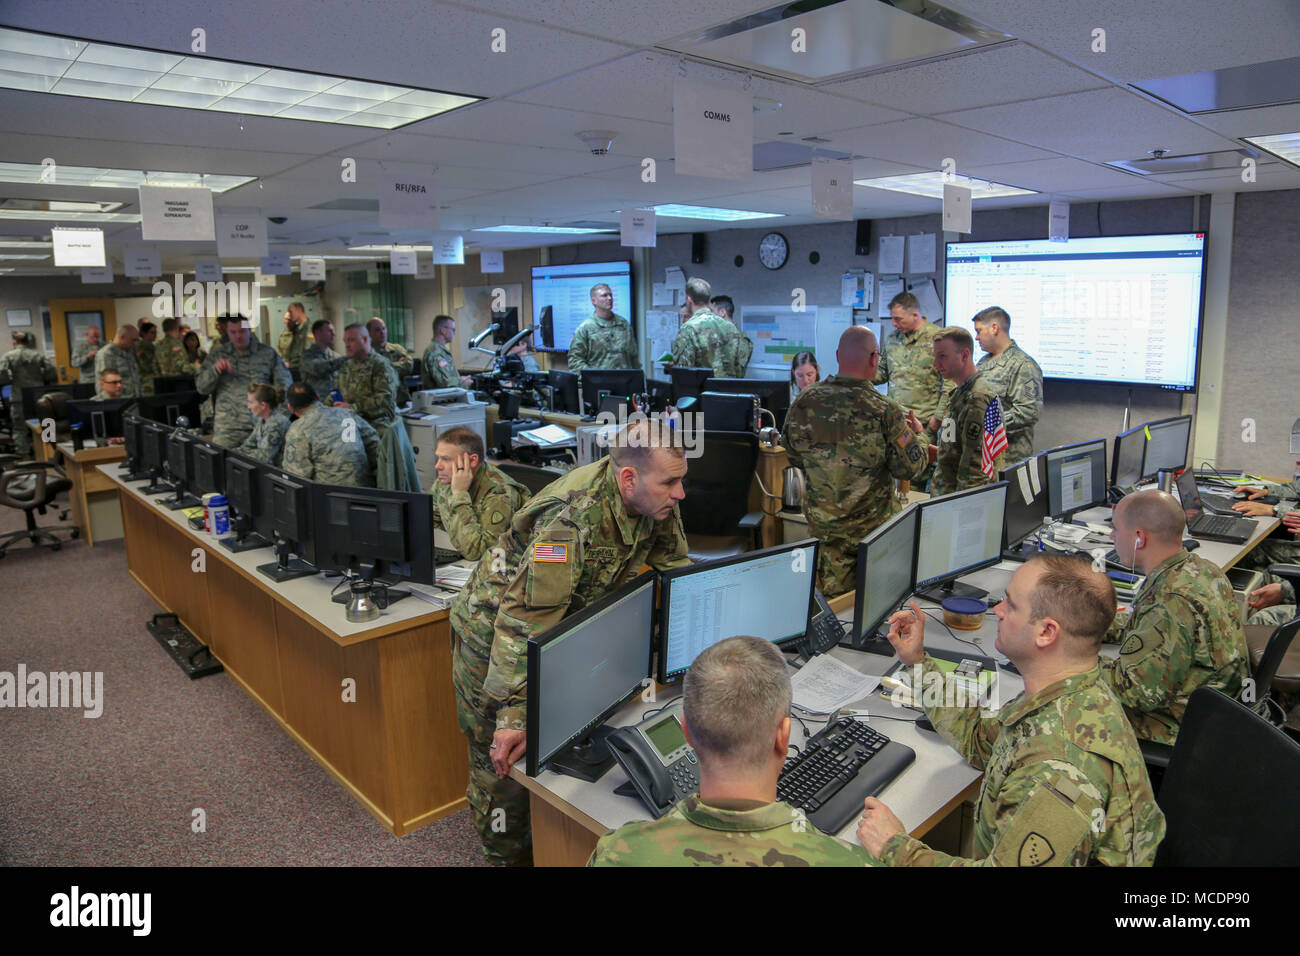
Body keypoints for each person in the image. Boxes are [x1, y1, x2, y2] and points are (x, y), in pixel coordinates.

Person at [448, 419, 691, 866]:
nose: (680, 494)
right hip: (493, 640)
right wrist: (513, 714)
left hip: (557, 627)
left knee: (555, 747)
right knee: (502, 770)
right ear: (628, 478)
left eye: (681, 480)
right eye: (671, 483)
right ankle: (507, 857)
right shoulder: (571, 522)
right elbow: (523, 619)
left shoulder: (655, 500)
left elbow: (674, 572)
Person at [858, 554, 1165, 866]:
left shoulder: (1060, 767)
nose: (997, 611)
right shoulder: (1069, 693)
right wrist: (918, 662)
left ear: (1046, 632)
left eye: (1011, 604)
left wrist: (895, 847)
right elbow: (978, 739)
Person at [590, 636, 875, 867]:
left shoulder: (618, 854)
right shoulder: (849, 860)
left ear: (686, 732)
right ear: (783, 735)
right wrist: (898, 848)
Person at [784, 327, 929, 596]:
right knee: (877, 611)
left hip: (827, 542)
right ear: (874, 358)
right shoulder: (885, 409)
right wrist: (920, 435)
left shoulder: (804, 402)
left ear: (838, 355)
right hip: (874, 543)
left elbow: (793, 455)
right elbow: (911, 467)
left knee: (835, 619)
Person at [1101, 490, 1250, 745]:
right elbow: (1145, 626)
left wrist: (1072, 658)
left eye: (1116, 529)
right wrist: (1086, 627)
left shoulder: (1171, 601)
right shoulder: (1201, 568)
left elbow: (1136, 692)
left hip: (1184, 725)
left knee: (1071, 713)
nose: (1112, 537)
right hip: (1222, 708)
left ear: (1139, 538)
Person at [431, 426, 531, 561]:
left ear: (472, 460)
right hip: (460, 559)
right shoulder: (445, 482)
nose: (438, 466)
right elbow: (429, 520)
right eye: (438, 458)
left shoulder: (500, 494)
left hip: (498, 567)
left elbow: (478, 553)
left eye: (446, 459)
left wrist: (459, 495)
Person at [929, 326, 1005, 496]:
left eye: (942, 356)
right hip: (946, 497)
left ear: (964, 355)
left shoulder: (977, 398)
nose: (936, 364)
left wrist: (961, 515)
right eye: (935, 357)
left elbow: (975, 471)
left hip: (958, 505)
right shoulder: (960, 393)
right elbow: (955, 450)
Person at [196, 316, 292, 448]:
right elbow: (201, 388)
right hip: (228, 429)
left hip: (261, 426)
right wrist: (215, 370)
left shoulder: (267, 353)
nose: (238, 336)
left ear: (249, 330)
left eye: (242, 331)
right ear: (227, 332)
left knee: (264, 466)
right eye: (233, 332)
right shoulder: (218, 354)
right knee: (222, 464)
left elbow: (285, 387)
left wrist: (278, 420)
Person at [966, 307, 1043, 465]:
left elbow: (1029, 411)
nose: (976, 337)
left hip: (1009, 460)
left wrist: (986, 425)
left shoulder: (1024, 365)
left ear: (994, 328)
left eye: (979, 331)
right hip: (982, 457)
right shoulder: (983, 362)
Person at [874, 292, 952, 431]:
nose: (894, 323)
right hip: (895, 420)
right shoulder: (892, 339)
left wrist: (939, 417)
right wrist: (859, 374)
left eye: (898, 319)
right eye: (892, 318)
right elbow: (882, 373)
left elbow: (950, 382)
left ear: (915, 315)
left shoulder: (937, 338)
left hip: (925, 422)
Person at [282, 382, 379, 486]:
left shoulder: (297, 430)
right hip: (367, 492)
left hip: (330, 496)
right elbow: (375, 446)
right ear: (318, 397)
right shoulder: (346, 413)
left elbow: (296, 477)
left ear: (291, 408)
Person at [671, 277, 747, 377]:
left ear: (689, 299)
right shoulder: (730, 327)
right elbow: (739, 369)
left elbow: (683, 372)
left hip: (702, 391)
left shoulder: (689, 328)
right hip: (728, 390)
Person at [0, 331, 57, 457]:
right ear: (28, 341)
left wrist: (10, 380)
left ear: (14, 342)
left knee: (20, 428)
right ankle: (50, 454)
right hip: (39, 396)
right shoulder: (38, 355)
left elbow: (2, 375)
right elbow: (52, 373)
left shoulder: (8, 356)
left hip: (18, 397)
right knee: (46, 424)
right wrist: (40, 378)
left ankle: (24, 457)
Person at [335, 323, 399, 429]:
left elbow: (385, 401)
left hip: (376, 427)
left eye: (351, 340)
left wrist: (353, 407)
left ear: (364, 339)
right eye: (345, 341)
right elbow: (335, 391)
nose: (347, 345)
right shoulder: (346, 367)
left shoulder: (380, 365)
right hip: (350, 426)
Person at [567, 283, 637, 371]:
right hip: (597, 382)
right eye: (604, 296)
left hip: (624, 381)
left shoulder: (623, 324)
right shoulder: (585, 328)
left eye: (610, 295)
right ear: (594, 301)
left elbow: (633, 357)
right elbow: (575, 361)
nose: (609, 298)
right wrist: (592, 377)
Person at [236, 383, 291, 468]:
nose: (248, 406)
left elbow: (264, 457)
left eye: (251, 402)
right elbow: (248, 445)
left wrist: (237, 458)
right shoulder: (262, 420)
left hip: (278, 474)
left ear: (263, 405)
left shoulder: (277, 423)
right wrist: (230, 454)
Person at [367, 316, 415, 406]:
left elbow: (409, 366)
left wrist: (384, 367)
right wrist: (398, 364)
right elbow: (371, 374)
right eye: (377, 330)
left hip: (401, 399)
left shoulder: (396, 348)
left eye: (384, 328)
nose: (382, 332)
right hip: (379, 403)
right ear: (369, 333)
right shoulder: (367, 354)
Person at [422, 314, 473, 389]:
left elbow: (446, 375)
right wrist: (462, 382)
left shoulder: (439, 350)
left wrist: (460, 379)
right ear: (443, 331)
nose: (454, 333)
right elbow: (444, 382)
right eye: (453, 329)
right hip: (442, 399)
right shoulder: (436, 352)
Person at [301, 319, 345, 400]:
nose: (334, 334)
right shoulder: (307, 356)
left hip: (335, 402)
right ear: (318, 333)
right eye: (329, 331)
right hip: (317, 404)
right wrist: (346, 358)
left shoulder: (335, 356)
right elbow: (318, 368)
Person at [94, 325, 141, 399]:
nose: (136, 343)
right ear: (122, 337)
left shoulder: (129, 351)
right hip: (119, 403)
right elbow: (105, 385)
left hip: (134, 401)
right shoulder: (106, 354)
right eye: (133, 340)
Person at [710, 294, 754, 373]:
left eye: (712, 312)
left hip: (728, 384)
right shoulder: (713, 336)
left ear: (722, 312)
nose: (709, 316)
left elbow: (737, 372)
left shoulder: (741, 339)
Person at [277, 302, 309, 376]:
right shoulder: (283, 335)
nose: (287, 322)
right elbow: (280, 352)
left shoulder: (301, 333)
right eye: (285, 319)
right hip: (286, 370)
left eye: (289, 319)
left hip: (299, 369)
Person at [135, 320, 160, 395]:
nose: (155, 335)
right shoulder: (140, 347)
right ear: (144, 333)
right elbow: (143, 365)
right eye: (152, 332)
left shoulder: (153, 346)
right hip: (145, 381)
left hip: (154, 380)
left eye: (156, 332)